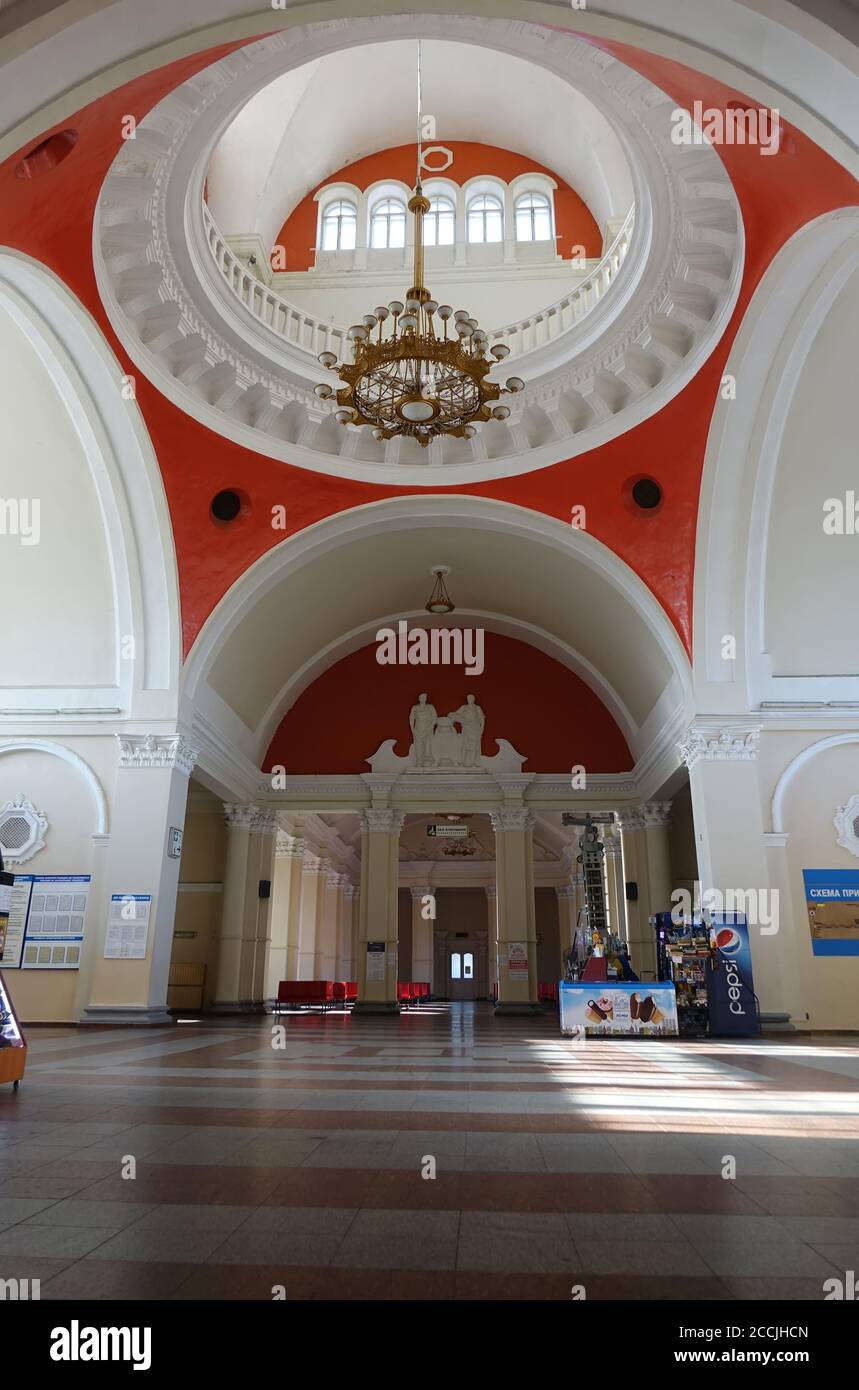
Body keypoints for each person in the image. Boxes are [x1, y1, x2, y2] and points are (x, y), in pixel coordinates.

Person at [448, 693, 485, 767]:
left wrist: (482, 729)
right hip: (466, 728)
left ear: (473, 699)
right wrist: (451, 715)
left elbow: (482, 719)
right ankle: (462, 762)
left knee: (474, 747)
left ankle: (473, 763)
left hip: (475, 729)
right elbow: (456, 714)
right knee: (465, 745)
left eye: (471, 698)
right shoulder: (464, 707)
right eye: (468, 698)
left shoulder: (477, 708)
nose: (469, 700)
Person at [409, 693, 437, 767]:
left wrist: (430, 727)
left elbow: (434, 718)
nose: (423, 699)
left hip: (428, 729)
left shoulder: (430, 707)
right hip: (418, 730)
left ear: (426, 698)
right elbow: (411, 719)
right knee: (418, 746)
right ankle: (419, 762)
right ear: (419, 698)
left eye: (424, 697)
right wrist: (412, 730)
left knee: (428, 745)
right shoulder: (415, 708)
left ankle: (427, 761)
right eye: (421, 697)